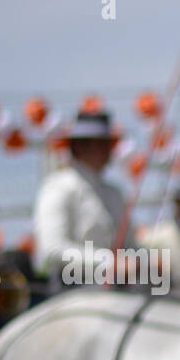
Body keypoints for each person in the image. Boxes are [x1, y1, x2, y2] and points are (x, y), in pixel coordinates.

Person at [33, 110, 134, 288]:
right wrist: (110, 262)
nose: (108, 150)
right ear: (80, 147)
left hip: (118, 288)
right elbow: (52, 249)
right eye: (101, 144)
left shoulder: (114, 193)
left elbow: (130, 244)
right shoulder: (59, 186)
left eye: (108, 144)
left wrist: (147, 260)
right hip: (72, 290)